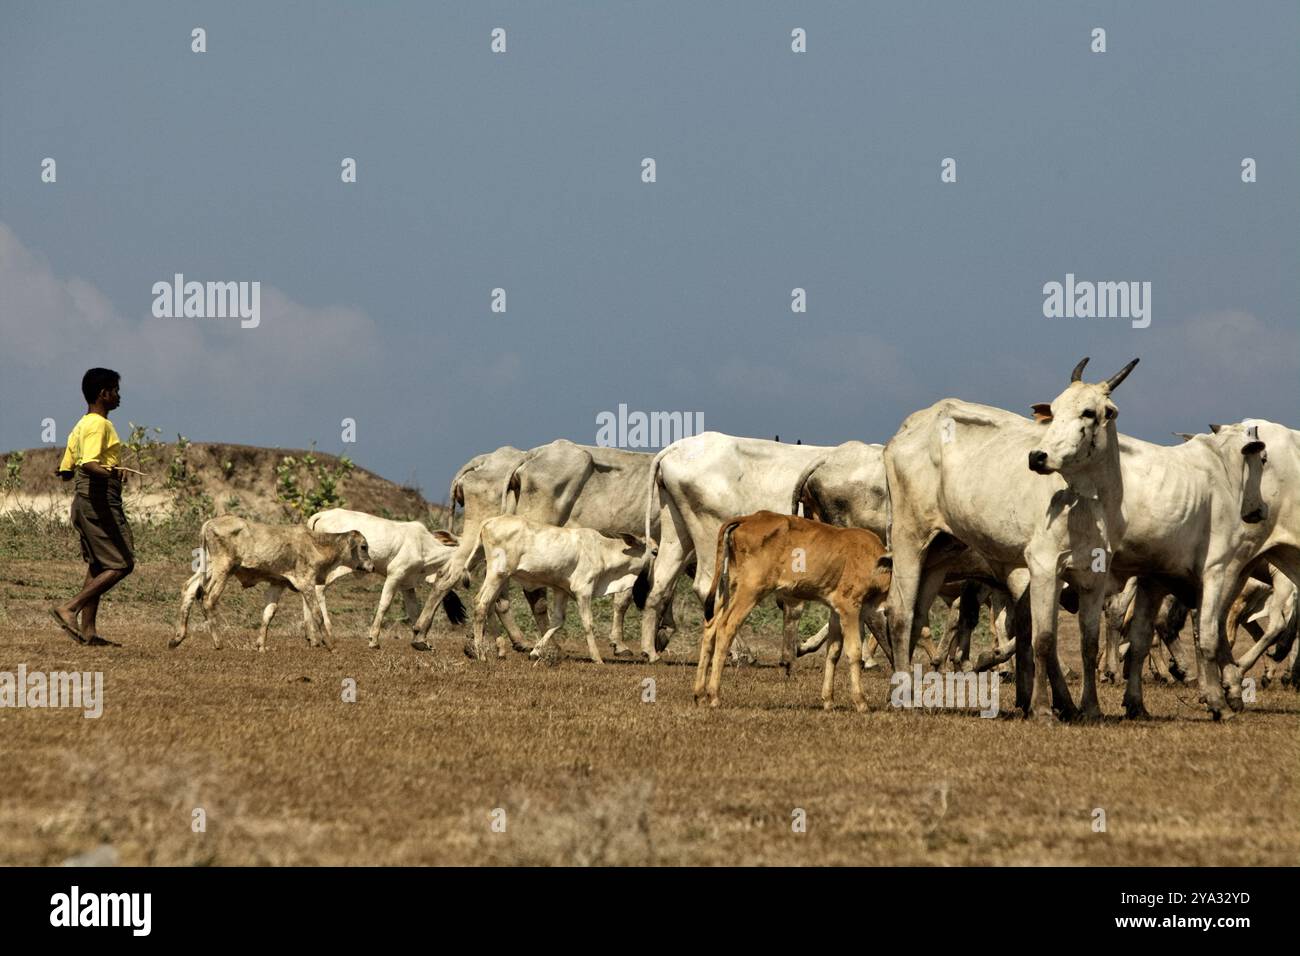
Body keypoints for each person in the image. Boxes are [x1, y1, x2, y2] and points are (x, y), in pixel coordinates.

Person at [49, 368, 133, 646]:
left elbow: (67, 470)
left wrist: (97, 469)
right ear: (103, 394)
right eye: (115, 390)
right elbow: (88, 464)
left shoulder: (81, 424)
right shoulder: (99, 424)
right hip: (99, 500)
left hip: (82, 500)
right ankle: (69, 608)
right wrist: (113, 473)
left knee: (98, 564)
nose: (118, 396)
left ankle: (89, 632)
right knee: (122, 563)